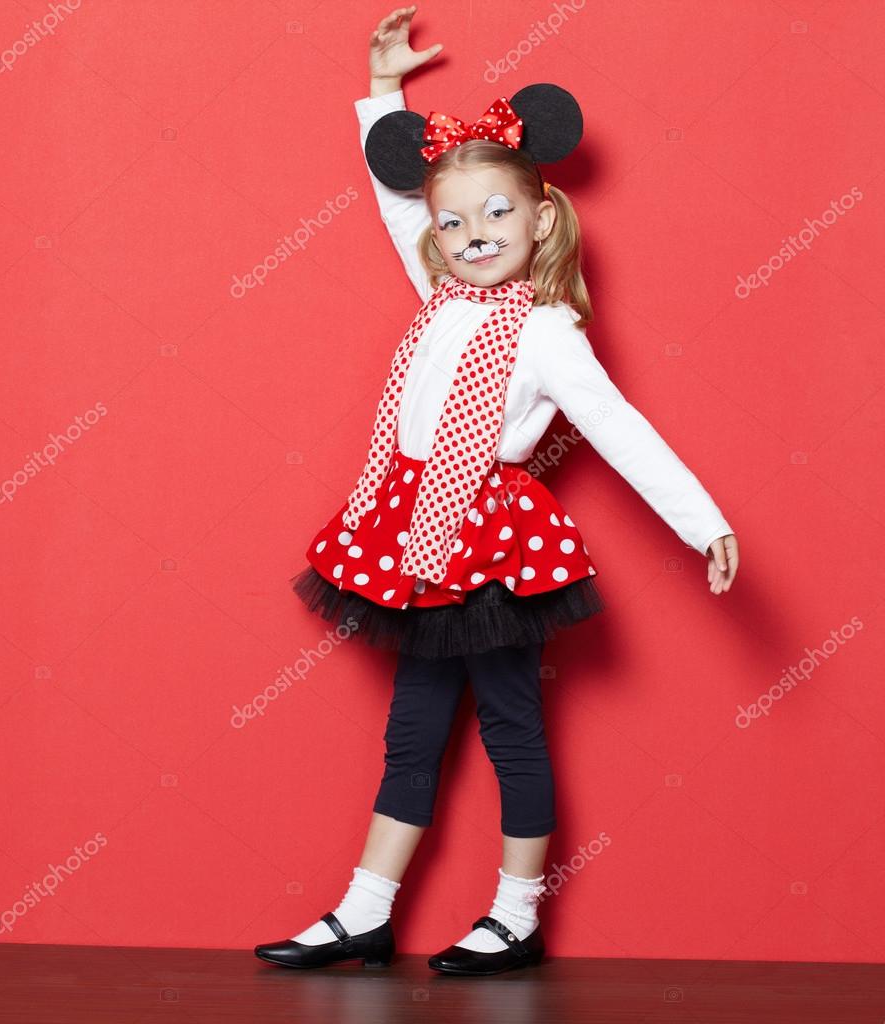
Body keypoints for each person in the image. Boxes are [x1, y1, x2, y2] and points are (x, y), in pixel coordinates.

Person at [255, 4, 739, 977]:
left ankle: (516, 915)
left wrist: (703, 523)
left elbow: (620, 430)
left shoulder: (547, 331)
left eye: (497, 213)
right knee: (413, 729)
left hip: (490, 537)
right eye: (453, 221)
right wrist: (380, 93)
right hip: (410, 528)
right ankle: (365, 909)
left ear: (543, 214)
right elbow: (397, 205)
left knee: (510, 723)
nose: (473, 233)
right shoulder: (441, 294)